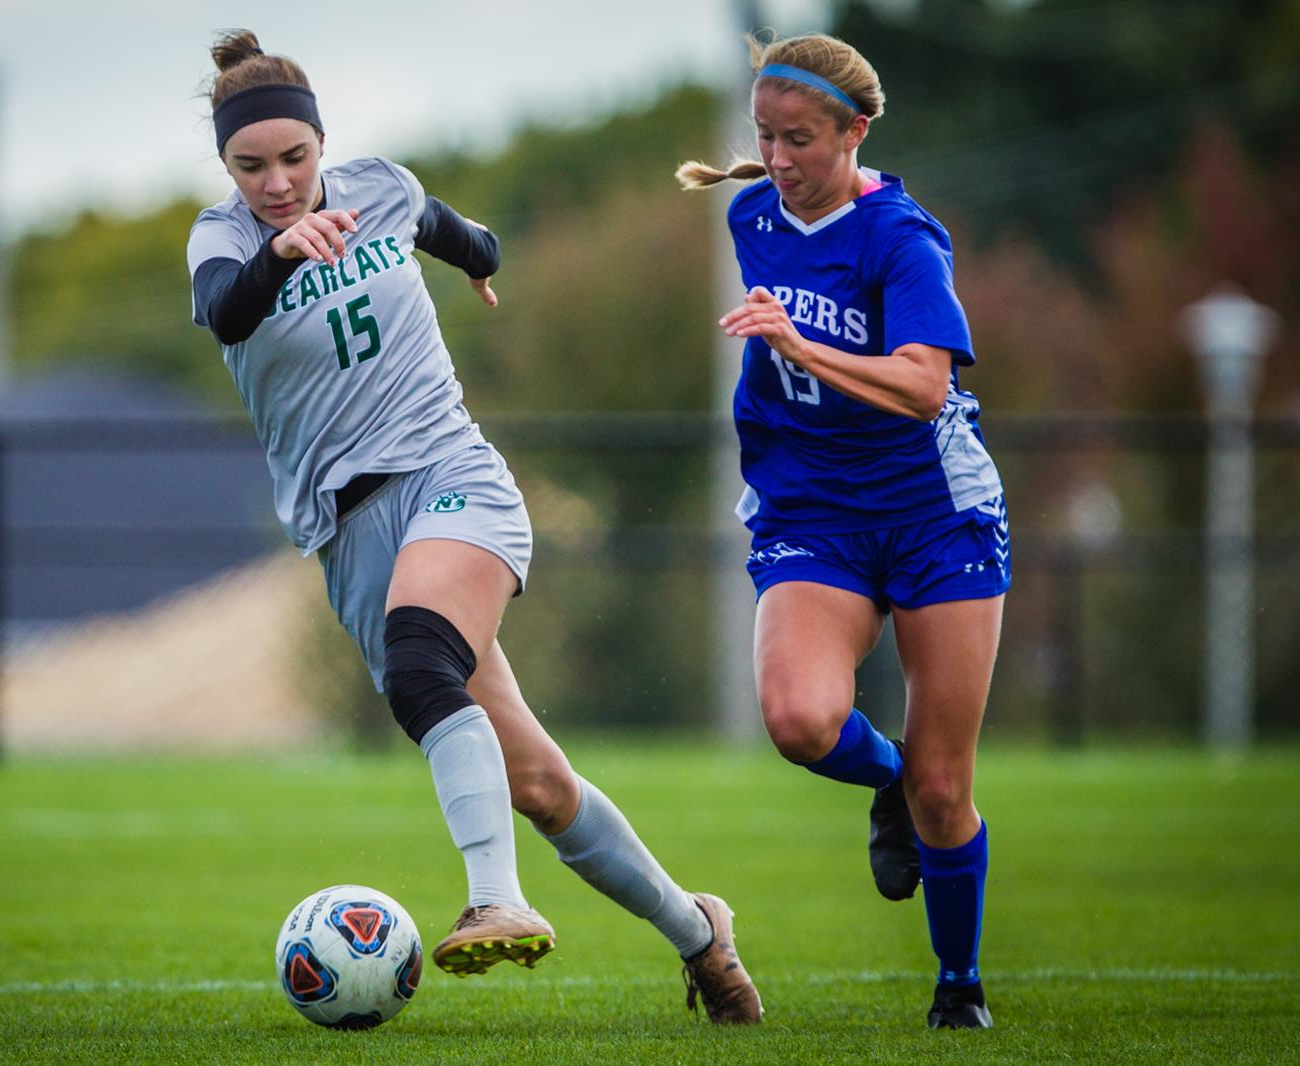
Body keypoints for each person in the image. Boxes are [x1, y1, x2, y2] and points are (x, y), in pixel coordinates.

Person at [187, 30, 762, 1023]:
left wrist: (479, 265)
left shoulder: (381, 189)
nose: (277, 182)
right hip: (351, 534)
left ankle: (495, 897)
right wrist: (279, 252)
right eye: (252, 165)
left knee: (421, 661)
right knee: (539, 782)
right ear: (226, 165)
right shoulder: (224, 242)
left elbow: (465, 234)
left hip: (453, 479)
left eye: (294, 158)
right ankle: (699, 933)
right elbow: (226, 313)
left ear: (322, 144)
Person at [677, 31, 1009, 1029]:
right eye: (765, 136)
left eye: (801, 140)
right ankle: (890, 777)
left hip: (933, 515)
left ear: (855, 131)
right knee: (798, 722)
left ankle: (958, 987)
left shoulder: (903, 238)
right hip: (814, 512)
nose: (777, 160)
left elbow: (921, 385)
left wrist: (801, 345)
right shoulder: (748, 216)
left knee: (950, 792)